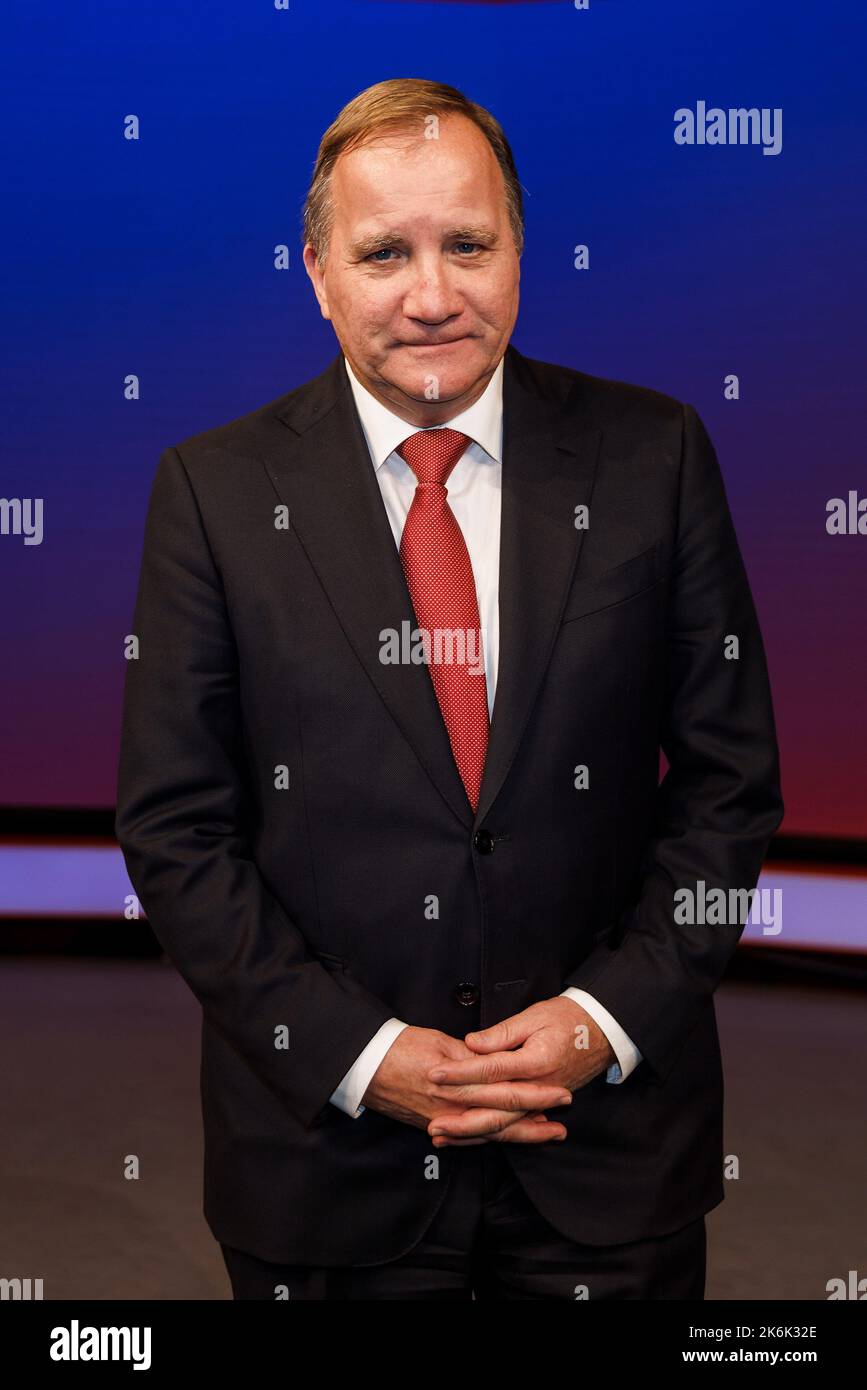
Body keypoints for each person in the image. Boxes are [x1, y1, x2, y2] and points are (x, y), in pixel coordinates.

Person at [115, 77, 783, 1300]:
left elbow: (730, 792)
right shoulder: (211, 494)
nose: (433, 296)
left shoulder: (658, 455)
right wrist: (367, 1056)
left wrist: (604, 1021)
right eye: (384, 254)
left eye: (468, 243)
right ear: (315, 272)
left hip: (614, 1166)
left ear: (521, 249)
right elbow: (176, 833)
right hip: (325, 1176)